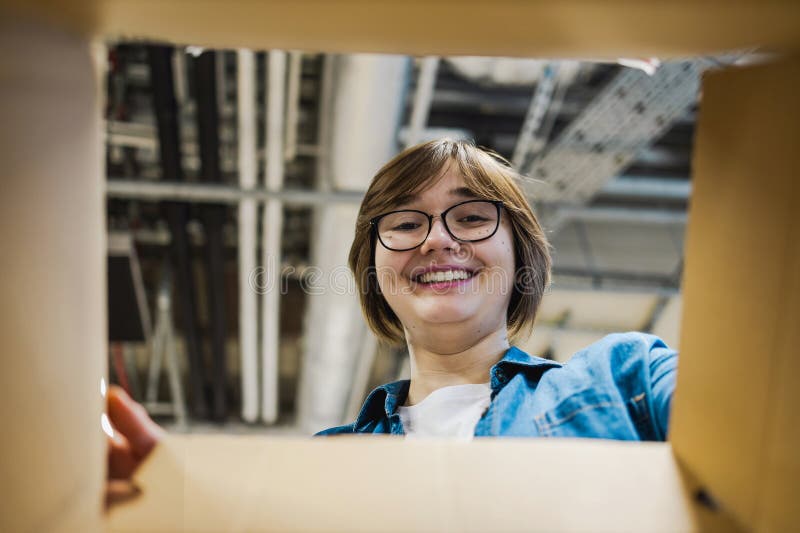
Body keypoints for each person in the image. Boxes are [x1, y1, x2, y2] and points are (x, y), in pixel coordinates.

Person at [106, 139, 677, 478]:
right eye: (405, 223)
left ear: (520, 249)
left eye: (472, 217)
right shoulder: (325, 465)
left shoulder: (626, 377)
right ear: (375, 273)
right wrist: (171, 501)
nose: (436, 240)